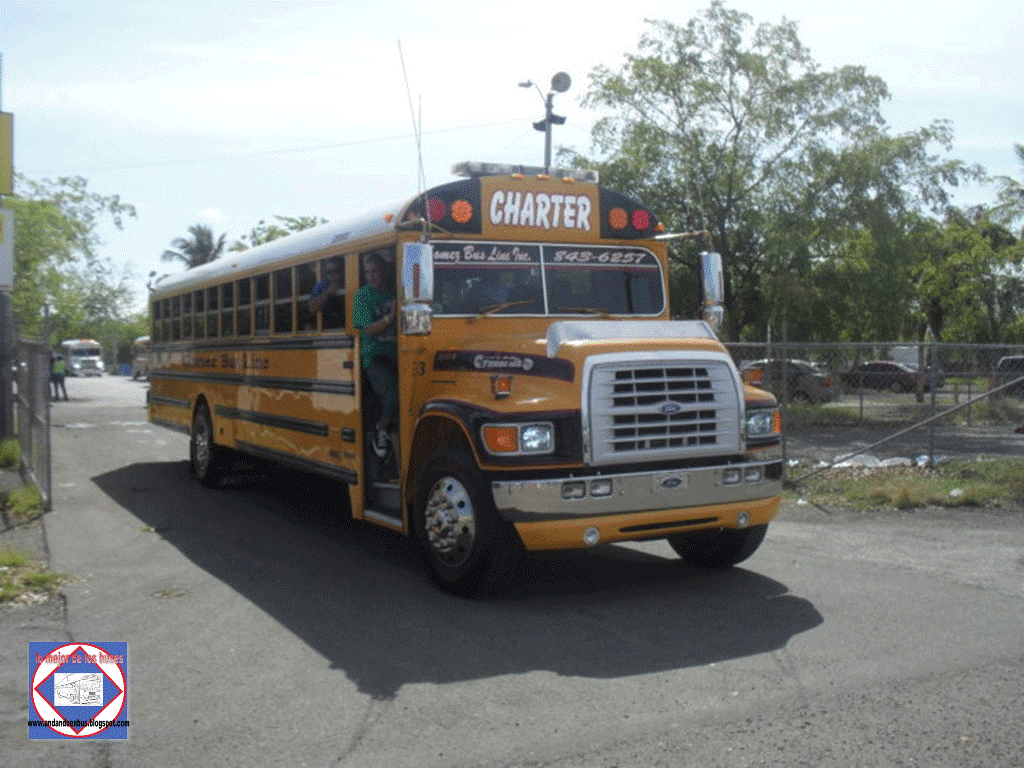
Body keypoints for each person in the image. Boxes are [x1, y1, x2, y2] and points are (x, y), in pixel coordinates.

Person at [352, 253, 398, 464]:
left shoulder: (394, 292)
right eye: (367, 272)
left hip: (398, 353)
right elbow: (368, 330)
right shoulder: (362, 297)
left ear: (384, 271)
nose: (371, 276)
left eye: (375, 271)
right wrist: (390, 317)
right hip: (375, 356)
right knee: (392, 397)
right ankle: (381, 429)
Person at [308, 258, 345, 329]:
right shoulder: (323, 284)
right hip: (329, 329)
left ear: (342, 272)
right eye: (328, 272)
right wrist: (327, 293)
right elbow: (312, 308)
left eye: (335, 271)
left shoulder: (349, 281)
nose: (332, 275)